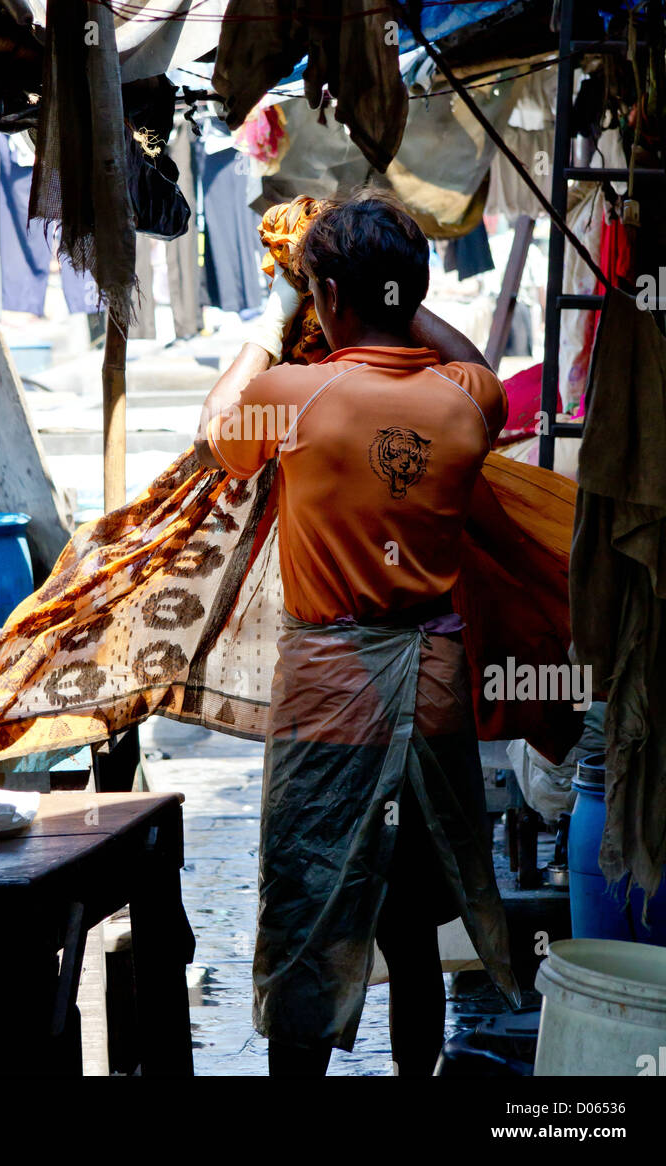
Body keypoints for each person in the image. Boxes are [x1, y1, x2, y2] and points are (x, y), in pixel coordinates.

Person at [195, 189, 519, 1078]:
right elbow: (473, 361)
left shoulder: (293, 397)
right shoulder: (465, 403)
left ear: (326, 296)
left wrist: (277, 309)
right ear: (408, 293)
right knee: (411, 927)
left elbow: (213, 432)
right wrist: (389, 293)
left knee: (307, 913)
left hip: (330, 705)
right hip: (436, 697)